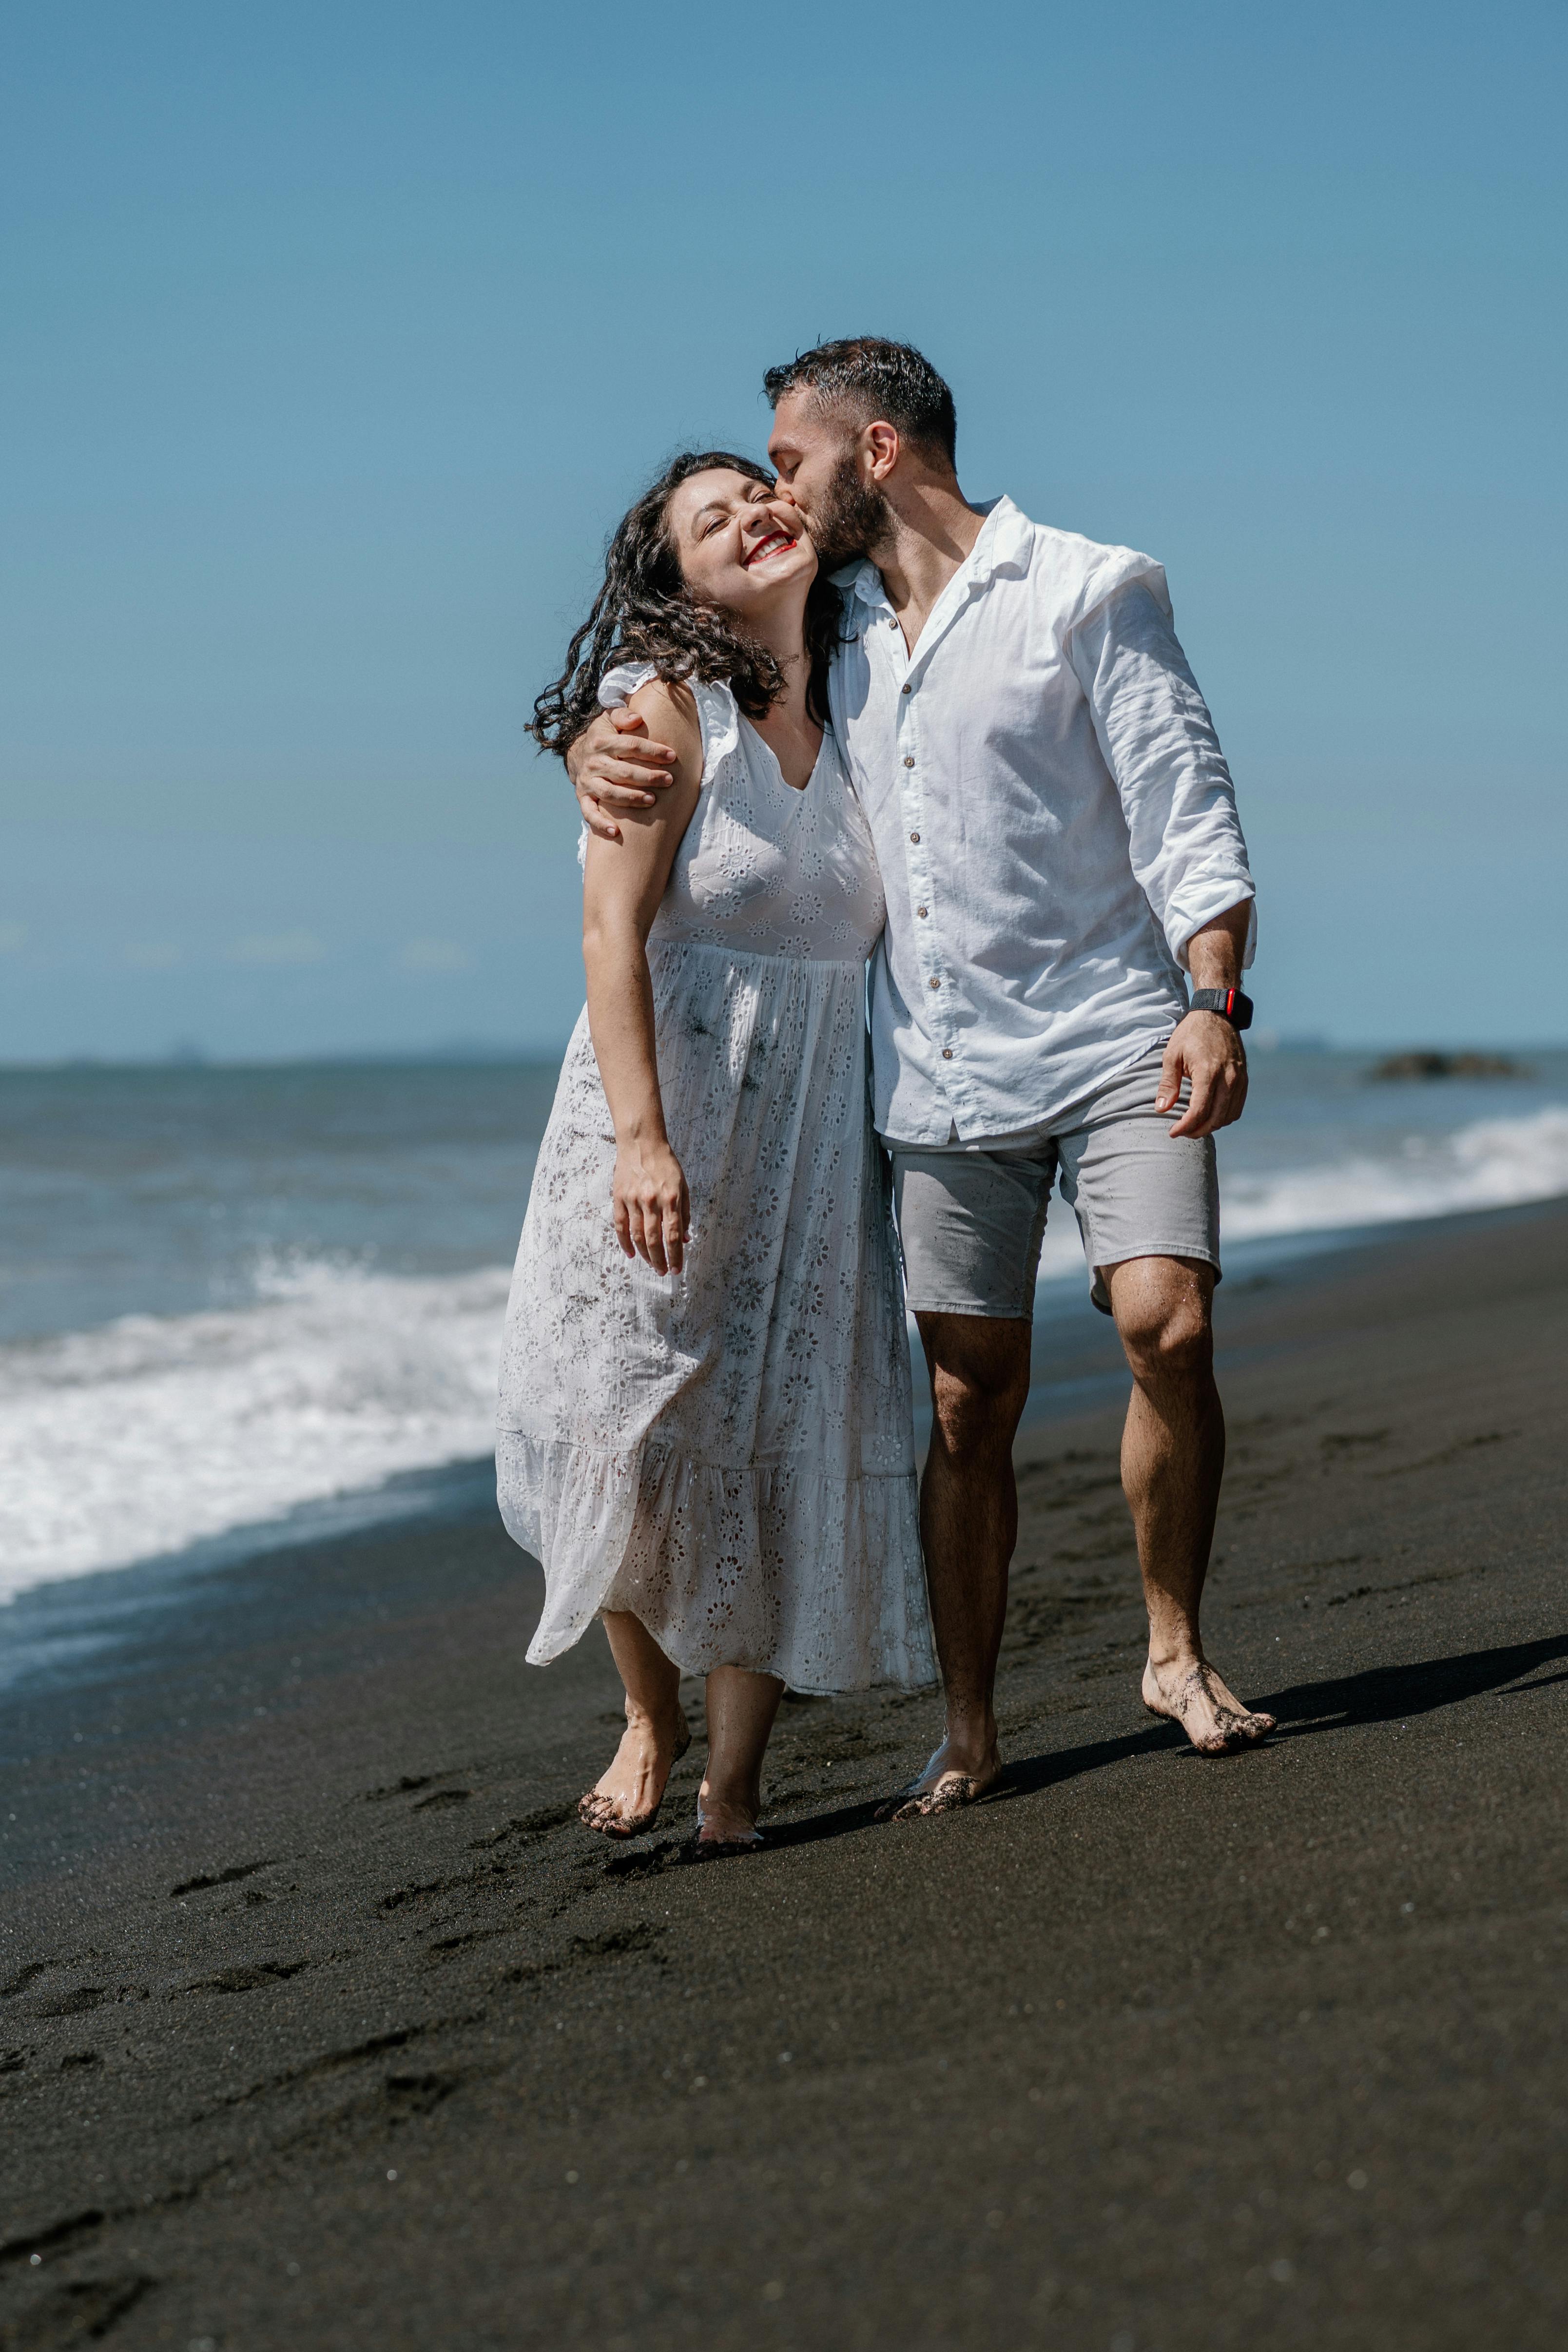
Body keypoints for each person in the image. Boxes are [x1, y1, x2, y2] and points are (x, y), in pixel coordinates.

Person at [569, 339, 1275, 1815]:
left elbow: (1186, 808)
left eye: (787, 458)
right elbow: (682, 696)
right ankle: (970, 1725)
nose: (774, 487)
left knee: (1169, 1322)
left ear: (873, 451)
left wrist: (1210, 995)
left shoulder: (1089, 586)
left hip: (1113, 1034)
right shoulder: (835, 645)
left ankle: (1170, 1646)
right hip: (939, 1077)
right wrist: (591, 740)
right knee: (968, 1401)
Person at [498, 448, 934, 1858]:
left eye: (758, 488)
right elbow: (605, 935)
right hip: (663, 1121)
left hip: (811, 1145)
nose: (751, 511)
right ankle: (648, 1710)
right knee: (621, 1417)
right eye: (708, 517)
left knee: (783, 1433)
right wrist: (641, 1141)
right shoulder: (665, 717)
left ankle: (734, 1783)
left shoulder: (876, 696)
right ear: (676, 581)